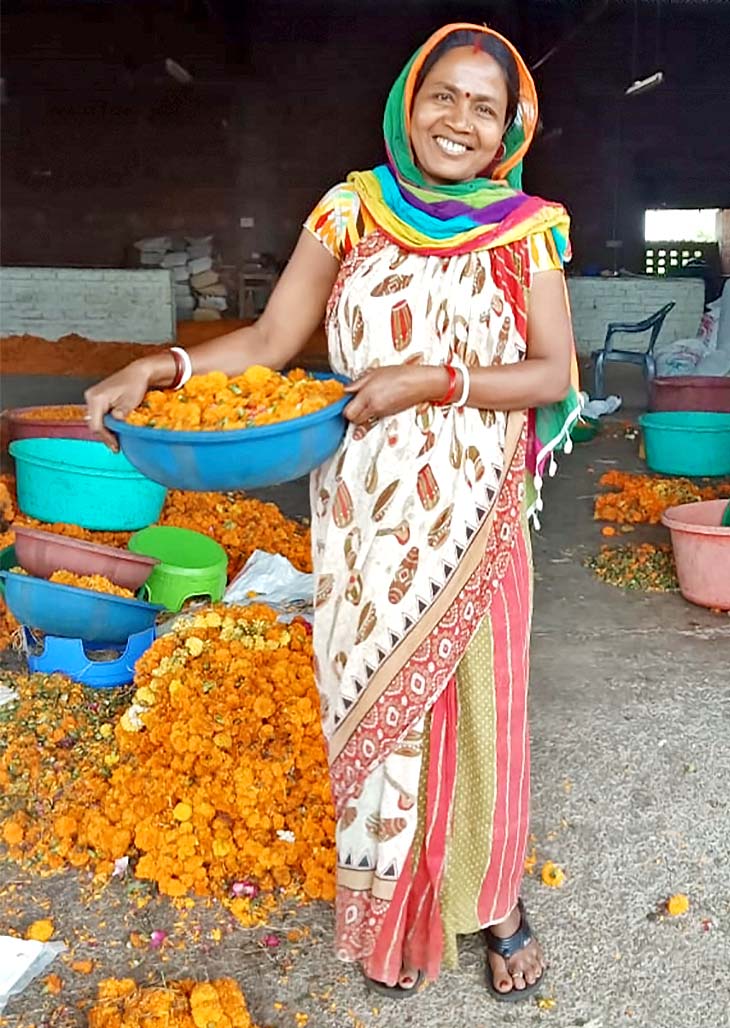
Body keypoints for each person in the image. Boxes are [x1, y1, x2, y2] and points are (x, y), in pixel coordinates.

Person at [86, 22, 579, 1003]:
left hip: (474, 514)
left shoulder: (528, 227)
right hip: (364, 512)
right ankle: (390, 907)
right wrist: (164, 365)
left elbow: (549, 371)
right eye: (443, 94)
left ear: (507, 129)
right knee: (374, 713)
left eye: (484, 107)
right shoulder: (349, 210)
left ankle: (491, 902)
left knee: (478, 714)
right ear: (408, 99)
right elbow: (272, 338)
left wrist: (427, 381)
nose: (459, 120)